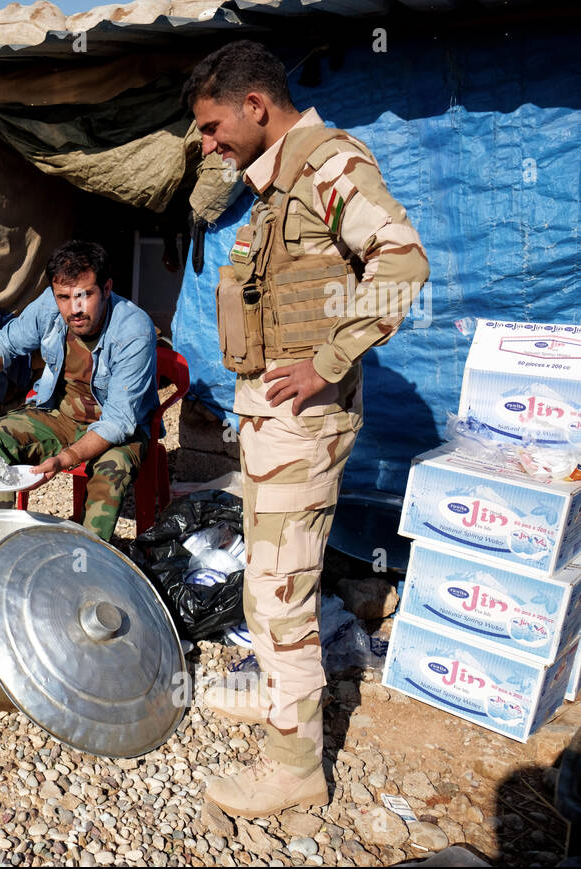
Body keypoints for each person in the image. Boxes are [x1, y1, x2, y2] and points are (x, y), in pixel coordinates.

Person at [183, 40, 429, 817]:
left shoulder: (328, 164)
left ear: (256, 106)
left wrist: (327, 361)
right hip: (271, 419)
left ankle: (295, 769)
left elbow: (404, 264)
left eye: (216, 126)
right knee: (268, 577)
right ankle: (280, 696)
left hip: (303, 422)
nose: (208, 143)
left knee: (281, 590)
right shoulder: (277, 182)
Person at [0, 240, 158, 542]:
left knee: (111, 470)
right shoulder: (50, 306)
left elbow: (118, 422)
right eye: (63, 297)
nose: (74, 308)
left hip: (118, 432)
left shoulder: (134, 331)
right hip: (60, 415)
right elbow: (3, 343)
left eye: (85, 295)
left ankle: (88, 559)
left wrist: (66, 458)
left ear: (106, 288)